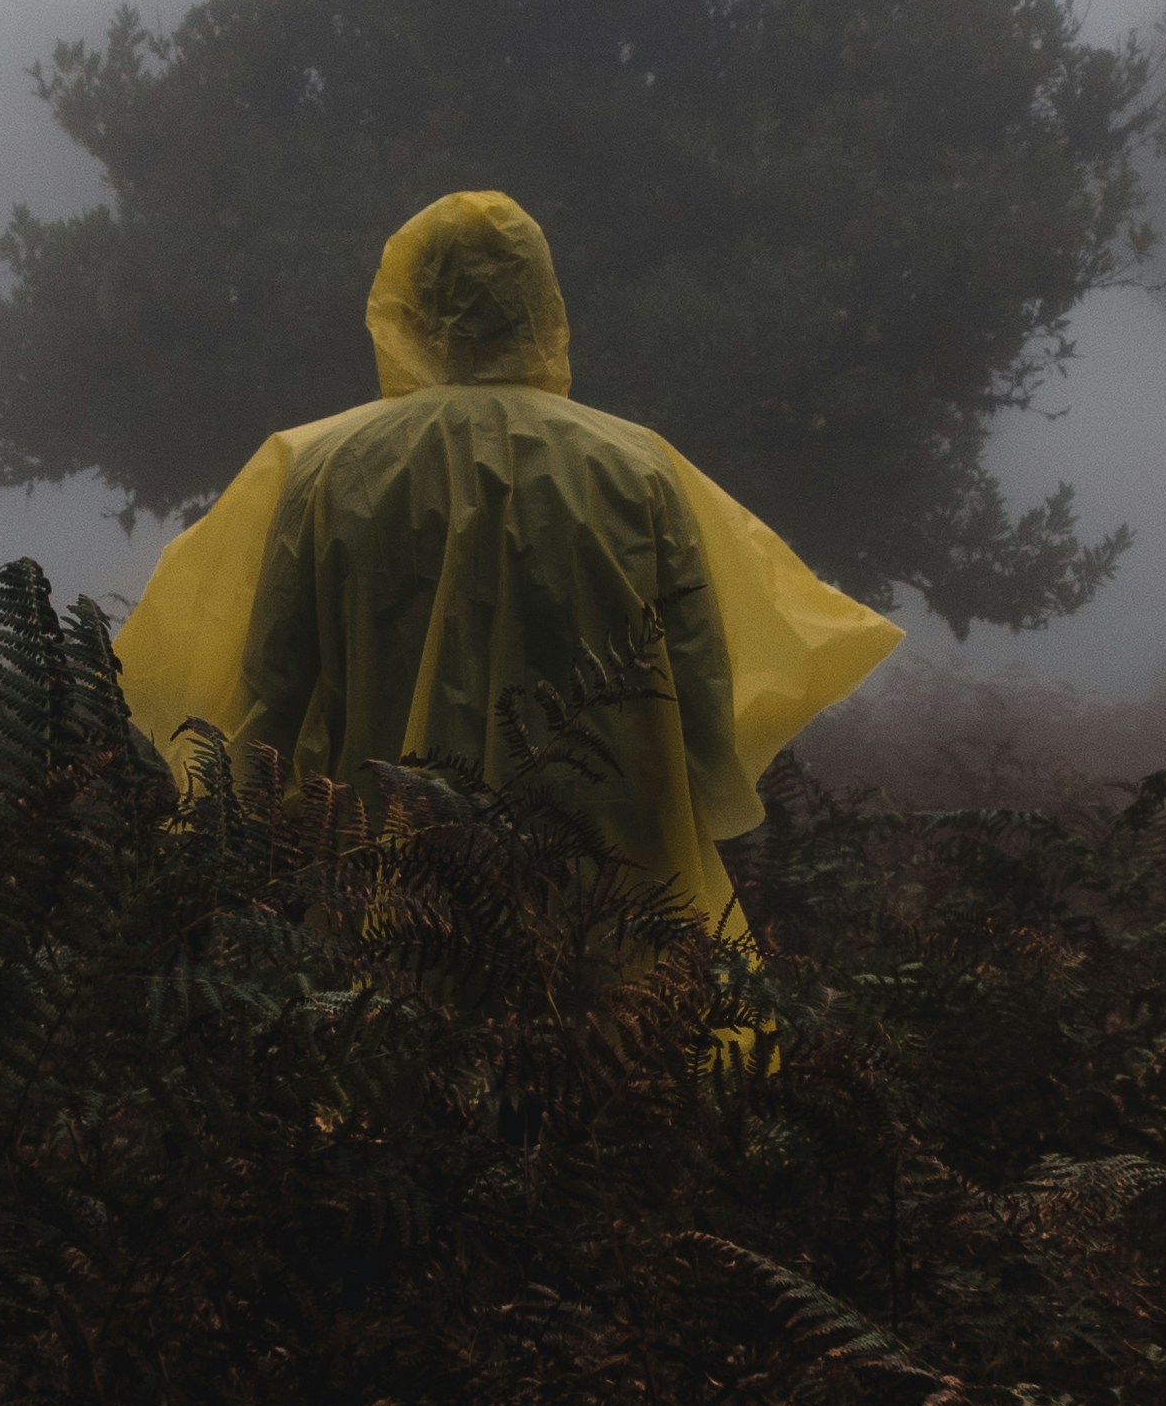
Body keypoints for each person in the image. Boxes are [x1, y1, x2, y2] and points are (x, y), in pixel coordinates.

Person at [112, 190, 900, 937]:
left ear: (409, 307)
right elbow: (696, 681)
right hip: (604, 885)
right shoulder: (637, 469)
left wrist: (241, 854)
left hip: (381, 884)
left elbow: (270, 697)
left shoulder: (326, 468)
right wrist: (698, 812)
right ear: (543, 305)